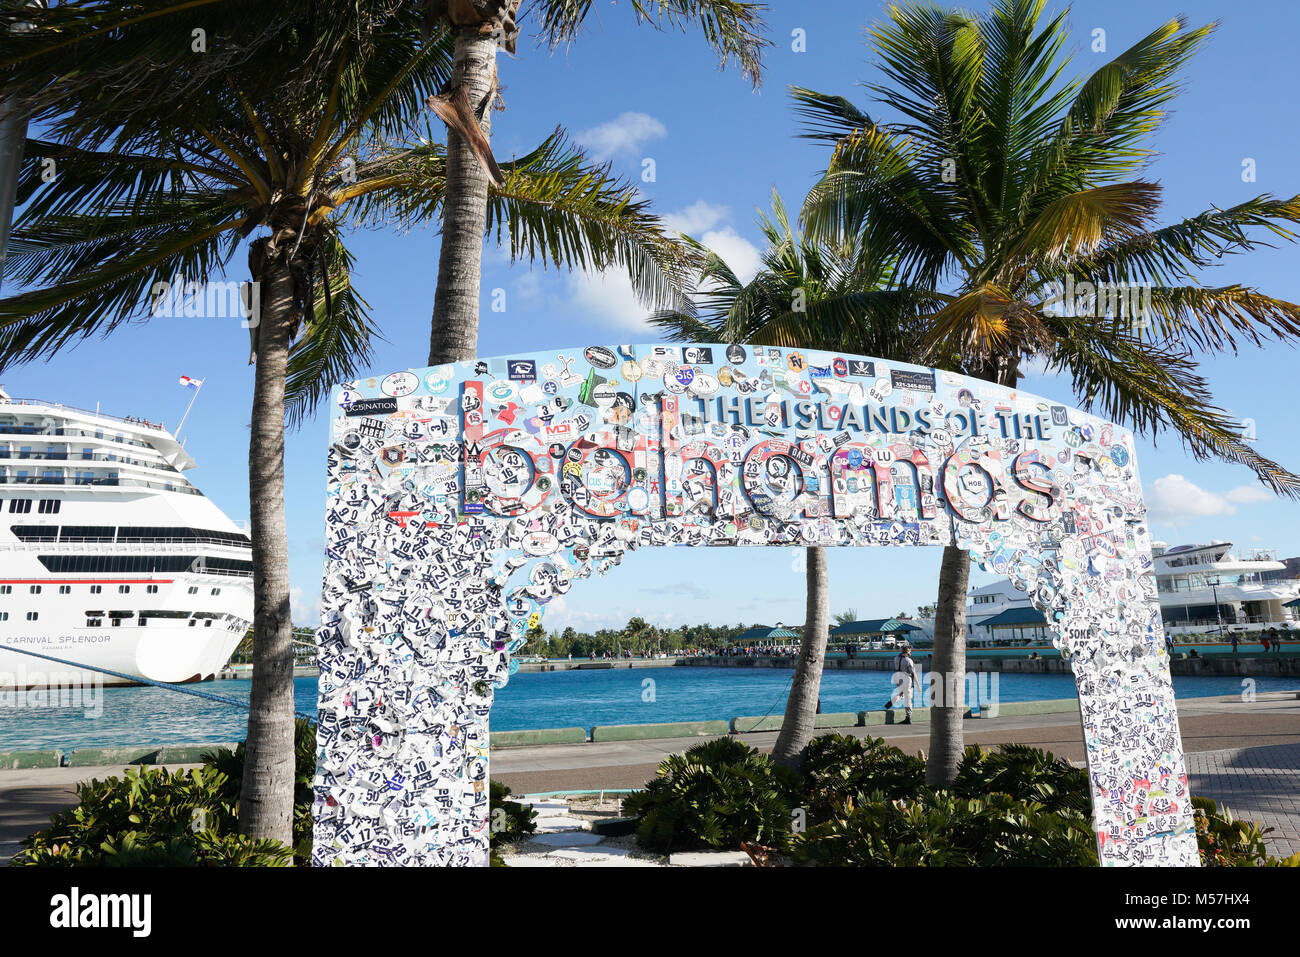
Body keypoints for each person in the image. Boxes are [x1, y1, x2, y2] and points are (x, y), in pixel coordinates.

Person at [892, 643, 918, 724]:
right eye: (910, 650)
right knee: (908, 698)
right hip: (907, 679)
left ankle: (894, 700)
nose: (911, 652)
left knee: (902, 694)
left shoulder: (896, 658)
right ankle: (908, 717)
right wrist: (917, 684)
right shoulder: (908, 660)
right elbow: (912, 672)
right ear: (908, 651)